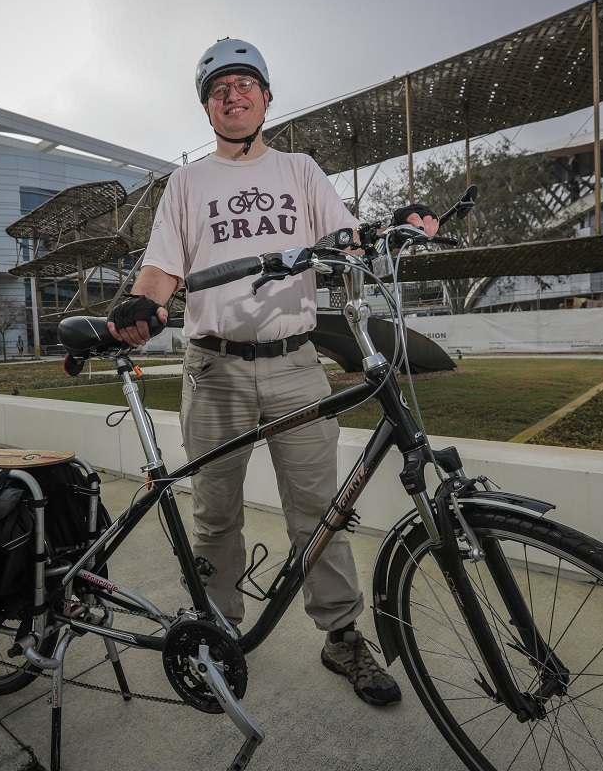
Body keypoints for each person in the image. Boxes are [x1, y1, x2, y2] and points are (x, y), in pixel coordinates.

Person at [107, 38, 440, 707]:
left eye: (244, 84)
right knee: (215, 512)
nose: (233, 94)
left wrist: (385, 228)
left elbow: (344, 240)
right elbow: (163, 266)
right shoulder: (189, 183)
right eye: (219, 88)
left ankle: (342, 636)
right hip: (215, 369)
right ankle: (217, 631)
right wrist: (142, 300)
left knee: (321, 512)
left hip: (295, 365)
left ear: (265, 97)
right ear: (208, 108)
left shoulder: (301, 170)